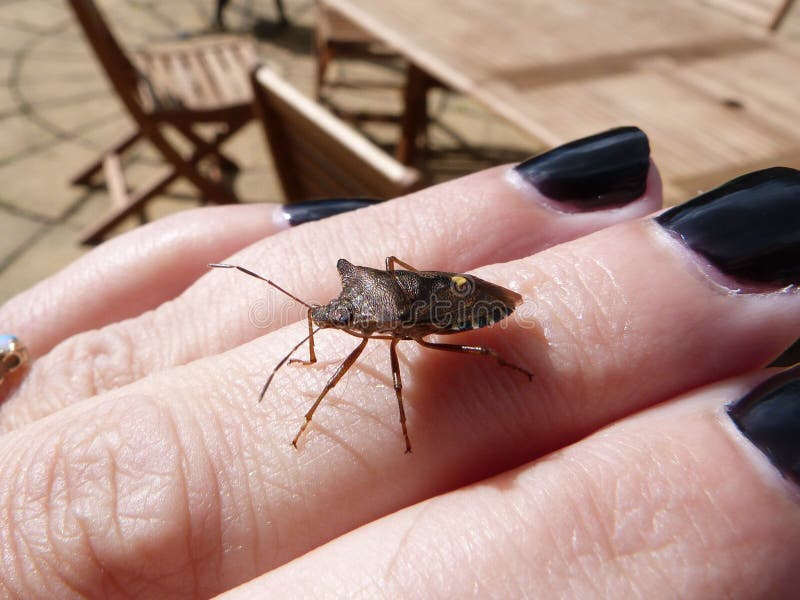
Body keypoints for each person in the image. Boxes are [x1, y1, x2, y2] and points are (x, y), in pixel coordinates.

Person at [0, 127, 798, 597]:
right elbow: (340, 316)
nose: (323, 323)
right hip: (433, 296)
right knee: (404, 343)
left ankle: (495, 362)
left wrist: (312, 406)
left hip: (462, 305)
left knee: (462, 347)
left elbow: (379, 345)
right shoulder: (348, 312)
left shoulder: (375, 330)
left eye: (330, 319)